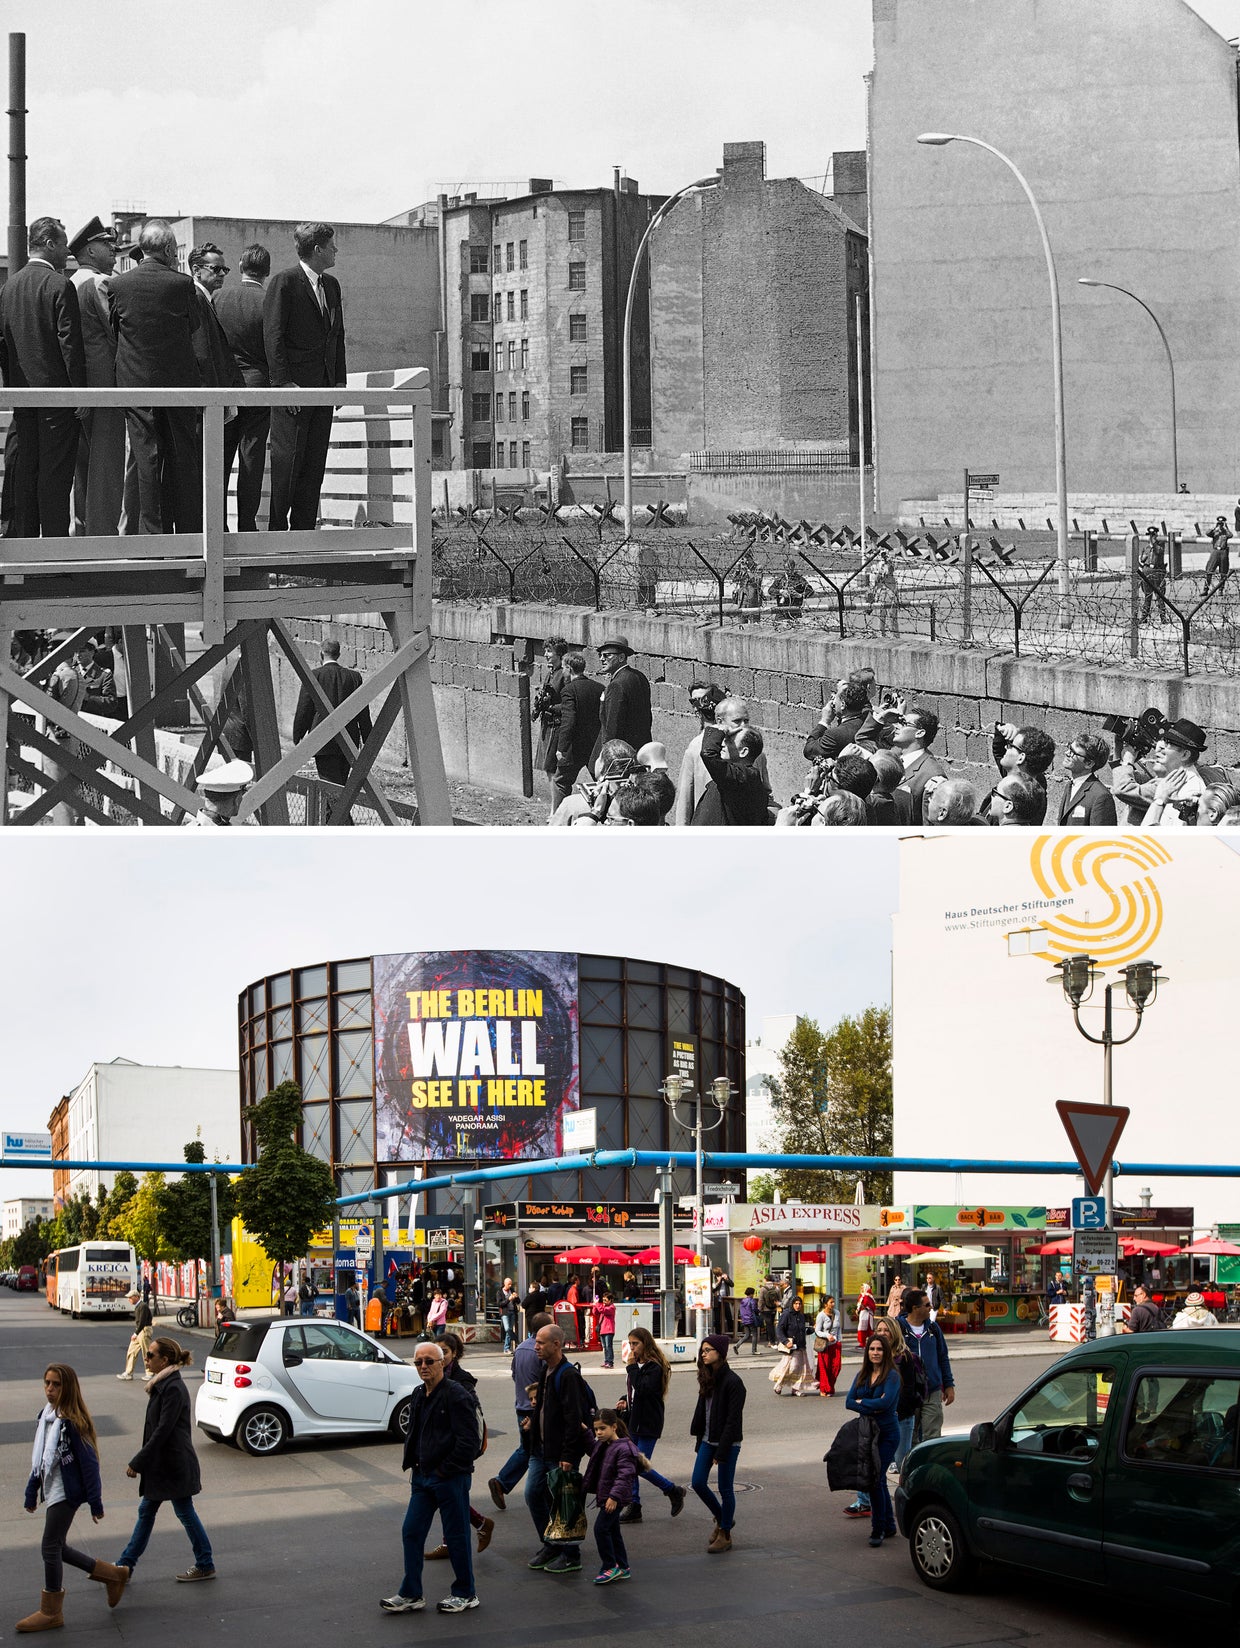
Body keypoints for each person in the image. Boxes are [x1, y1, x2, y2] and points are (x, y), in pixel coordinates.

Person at [108, 219, 203, 534]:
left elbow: (115, 329)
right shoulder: (182, 284)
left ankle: (152, 536)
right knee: (182, 459)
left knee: (146, 460)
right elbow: (193, 326)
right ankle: (188, 536)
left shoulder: (118, 285)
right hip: (179, 385)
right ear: (169, 249)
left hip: (135, 384)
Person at [19, 1363, 128, 1633]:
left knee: (49, 1547)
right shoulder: (46, 1417)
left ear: (68, 1388)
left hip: (66, 1493)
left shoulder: (73, 1423)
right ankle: (114, 1575)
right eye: (47, 1383)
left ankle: (51, 1611)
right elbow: (40, 1460)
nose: (50, 1389)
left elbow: (90, 1465)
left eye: (56, 1384)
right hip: (52, 1489)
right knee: (58, 1547)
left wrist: (95, 1502)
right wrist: (31, 1492)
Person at [0, 216, 85, 541]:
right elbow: (70, 347)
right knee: (55, 478)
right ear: (49, 244)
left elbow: (3, 345)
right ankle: (54, 549)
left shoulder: (8, 287)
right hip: (57, 402)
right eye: (63, 244)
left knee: (24, 474)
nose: (67, 252)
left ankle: (25, 547)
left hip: (22, 400)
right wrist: (80, 396)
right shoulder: (59, 285)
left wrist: (12, 385)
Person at [380, 1340, 480, 1615]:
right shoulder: (417, 1393)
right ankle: (411, 1593)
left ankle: (465, 1593)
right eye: (418, 1362)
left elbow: (469, 1442)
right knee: (411, 1532)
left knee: (457, 1536)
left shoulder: (457, 1394)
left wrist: (445, 1470)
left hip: (449, 1478)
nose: (423, 1366)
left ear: (442, 1363)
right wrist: (414, 1464)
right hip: (422, 1478)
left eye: (429, 1361)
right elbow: (414, 1433)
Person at [264, 221, 347, 532]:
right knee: (288, 464)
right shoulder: (285, 282)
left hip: (323, 390)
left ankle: (303, 533)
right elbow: (273, 335)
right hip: (294, 392)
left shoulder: (332, 286)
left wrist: (339, 381)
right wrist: (284, 384)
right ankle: (277, 535)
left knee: (314, 464)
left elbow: (337, 336)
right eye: (332, 245)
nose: (336, 250)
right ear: (317, 249)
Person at [116, 1338, 214, 1583]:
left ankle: (204, 1563)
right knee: (150, 1511)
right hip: (164, 1464)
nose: (146, 1359)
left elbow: (162, 1431)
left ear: (164, 1360)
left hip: (173, 1464)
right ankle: (125, 1565)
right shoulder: (163, 1384)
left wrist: (138, 1462)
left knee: (182, 1512)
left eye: (150, 1355)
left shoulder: (173, 1388)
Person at [69, 216, 125, 537]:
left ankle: (83, 532)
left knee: (83, 465)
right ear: (90, 250)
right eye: (106, 245)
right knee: (106, 464)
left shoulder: (71, 282)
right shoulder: (99, 284)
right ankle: (102, 536)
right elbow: (116, 334)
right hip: (105, 383)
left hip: (79, 384)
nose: (113, 251)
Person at [525, 1323, 592, 1575]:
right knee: (533, 1494)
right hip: (541, 1450)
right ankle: (551, 1544)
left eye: (541, 1343)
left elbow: (574, 1418)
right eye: (536, 1342)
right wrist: (532, 1428)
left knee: (565, 1503)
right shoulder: (546, 1370)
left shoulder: (568, 1375)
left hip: (560, 1452)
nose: (536, 1347)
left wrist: (568, 1454)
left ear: (556, 1344)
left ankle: (571, 1555)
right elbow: (542, 1407)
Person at [214, 243, 271, 532]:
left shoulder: (218, 297)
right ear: (267, 271)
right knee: (252, 457)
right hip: (258, 386)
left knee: (221, 458)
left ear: (240, 267)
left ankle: (218, 524)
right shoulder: (269, 300)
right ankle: (247, 525)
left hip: (226, 387)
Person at [425, 1334, 494, 1559]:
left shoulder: (462, 1382)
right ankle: (479, 1525)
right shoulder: (432, 1374)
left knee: (451, 1496)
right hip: (440, 1448)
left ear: (454, 1354)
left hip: (456, 1451)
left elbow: (471, 1420)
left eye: (445, 1351)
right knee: (450, 1497)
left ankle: (461, 1543)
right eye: (437, 1351)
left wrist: (461, 1453)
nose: (440, 1356)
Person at [291, 637, 372, 815]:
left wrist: (298, 736)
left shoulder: (314, 676)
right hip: (349, 740)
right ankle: (335, 820)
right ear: (339, 654)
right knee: (340, 784)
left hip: (323, 741)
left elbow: (304, 709)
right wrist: (368, 738)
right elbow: (363, 711)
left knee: (330, 786)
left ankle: (339, 821)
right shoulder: (354, 677)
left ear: (321, 653)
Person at [615, 1327, 685, 1521]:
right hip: (634, 1420)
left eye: (635, 1344)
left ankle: (672, 1490)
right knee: (631, 1463)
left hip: (648, 1422)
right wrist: (625, 1400)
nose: (632, 1348)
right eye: (630, 1344)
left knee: (639, 1465)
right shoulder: (638, 1365)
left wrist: (631, 1367)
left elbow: (644, 1389)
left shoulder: (654, 1366)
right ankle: (634, 1504)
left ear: (645, 1343)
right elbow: (634, 1391)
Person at [487, 1309, 551, 1511]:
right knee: (535, 1452)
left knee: (528, 1448)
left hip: (521, 1405)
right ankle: (507, 1482)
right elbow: (548, 1379)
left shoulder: (522, 1348)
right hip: (536, 1409)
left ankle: (504, 1482)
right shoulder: (542, 1351)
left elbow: (514, 1374)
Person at [689, 1334, 745, 1554]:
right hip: (707, 1439)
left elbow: (733, 1421)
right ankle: (724, 1518)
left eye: (708, 1350)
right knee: (697, 1482)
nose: (703, 1354)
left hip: (728, 1443)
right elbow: (702, 1413)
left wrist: (721, 1452)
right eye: (702, 1350)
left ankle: (725, 1534)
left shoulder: (734, 1382)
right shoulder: (707, 1377)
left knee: (725, 1488)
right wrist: (699, 1440)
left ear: (720, 1353)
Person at [844, 1332, 901, 1548]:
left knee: (875, 1480)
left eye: (879, 1349)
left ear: (885, 1352)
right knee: (878, 1480)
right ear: (867, 1352)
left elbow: (885, 1404)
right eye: (872, 1349)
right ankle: (889, 1525)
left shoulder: (892, 1376)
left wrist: (863, 1402)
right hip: (868, 1433)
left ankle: (878, 1529)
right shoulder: (862, 1375)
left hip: (888, 1435)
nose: (875, 1353)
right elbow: (849, 1402)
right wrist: (872, 1404)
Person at [581, 1408, 642, 1584]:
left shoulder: (624, 1448)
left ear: (614, 1427)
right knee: (613, 1531)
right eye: (596, 1429)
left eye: (602, 1428)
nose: (598, 1433)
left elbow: (625, 1476)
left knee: (600, 1529)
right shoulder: (605, 1444)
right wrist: (585, 1432)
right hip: (608, 1496)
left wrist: (614, 1497)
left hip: (614, 1498)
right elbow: (593, 1450)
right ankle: (622, 1566)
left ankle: (610, 1566)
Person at [897, 1288, 956, 1440]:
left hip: (932, 1390)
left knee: (932, 1436)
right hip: (908, 1392)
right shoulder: (898, 1328)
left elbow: (943, 1357)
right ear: (915, 1308)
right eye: (927, 1305)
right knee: (910, 1437)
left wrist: (948, 1385)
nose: (931, 1307)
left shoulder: (933, 1328)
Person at [693, 720, 772, 825]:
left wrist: (719, 730)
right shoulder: (741, 776)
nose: (722, 744)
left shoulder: (744, 777)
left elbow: (709, 754)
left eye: (729, 741)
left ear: (743, 752)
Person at [551, 652, 603, 808]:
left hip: (574, 748)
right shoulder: (599, 688)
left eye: (563, 668)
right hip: (594, 746)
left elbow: (568, 721)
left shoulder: (569, 690)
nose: (563, 672)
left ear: (569, 668)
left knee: (560, 781)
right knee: (602, 781)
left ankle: (560, 816)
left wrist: (561, 748)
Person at [589, 637, 652, 765]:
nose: (602, 659)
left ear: (621, 657)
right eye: (600, 655)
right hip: (641, 748)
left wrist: (607, 754)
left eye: (607, 655)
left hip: (622, 753)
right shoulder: (639, 676)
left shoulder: (617, 684)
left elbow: (613, 725)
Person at [873, 1316, 922, 1476]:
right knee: (878, 1463)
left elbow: (907, 1391)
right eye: (879, 1330)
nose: (882, 1333)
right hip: (880, 1417)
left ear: (894, 1332)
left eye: (886, 1330)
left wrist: (893, 1411)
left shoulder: (904, 1357)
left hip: (900, 1417)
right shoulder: (875, 1355)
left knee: (902, 1463)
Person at [1138, 719, 1208, 829]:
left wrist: (1160, 801)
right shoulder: (1173, 780)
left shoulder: (1191, 790)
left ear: (1185, 755)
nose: (1161, 746)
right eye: (1165, 740)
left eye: (1169, 743)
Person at [891, 705, 946, 824]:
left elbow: (929, 821)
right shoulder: (893, 755)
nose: (897, 726)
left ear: (920, 733)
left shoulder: (932, 774)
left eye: (904, 723)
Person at [1058, 733, 1117, 825]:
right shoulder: (1069, 786)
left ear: (1089, 764)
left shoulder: (1101, 796)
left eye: (1073, 753)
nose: (1067, 753)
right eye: (1069, 748)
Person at [533, 637, 568, 784]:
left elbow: (568, 705)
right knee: (548, 768)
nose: (545, 654)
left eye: (549, 651)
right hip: (547, 725)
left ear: (559, 654)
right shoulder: (550, 673)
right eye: (545, 651)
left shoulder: (564, 675)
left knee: (553, 768)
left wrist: (550, 707)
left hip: (556, 726)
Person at [771, 1294, 814, 1395]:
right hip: (790, 1347)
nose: (798, 1306)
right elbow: (779, 1329)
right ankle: (779, 1384)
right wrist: (786, 1341)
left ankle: (795, 1389)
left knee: (800, 1369)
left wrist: (811, 1330)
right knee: (791, 1368)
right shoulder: (786, 1314)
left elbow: (802, 1330)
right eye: (796, 1303)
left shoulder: (801, 1316)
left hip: (801, 1346)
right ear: (792, 1304)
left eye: (799, 1304)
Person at [117, 1288, 154, 1381]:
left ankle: (150, 1373)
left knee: (146, 1352)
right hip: (140, 1331)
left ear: (136, 1297)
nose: (129, 1299)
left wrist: (135, 1333)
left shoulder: (143, 1306)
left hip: (144, 1330)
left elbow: (142, 1322)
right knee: (131, 1351)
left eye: (130, 1297)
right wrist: (137, 1333)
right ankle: (128, 1372)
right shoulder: (138, 1306)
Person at [814, 1294, 843, 1395]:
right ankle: (824, 1389)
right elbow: (817, 1331)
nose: (833, 1304)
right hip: (825, 1345)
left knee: (836, 1367)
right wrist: (827, 1335)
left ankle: (830, 1385)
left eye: (833, 1302)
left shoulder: (837, 1313)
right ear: (825, 1304)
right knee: (825, 1368)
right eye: (831, 1302)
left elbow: (839, 1328)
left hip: (835, 1344)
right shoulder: (821, 1316)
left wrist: (839, 1340)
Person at [1139, 526, 1168, 624]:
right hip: (1147, 570)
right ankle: (1144, 616)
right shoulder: (1146, 547)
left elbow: (1159, 552)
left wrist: (1154, 543)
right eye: (1150, 535)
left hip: (1157, 571)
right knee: (1147, 595)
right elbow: (1142, 560)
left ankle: (1163, 617)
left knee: (1159, 595)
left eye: (1153, 535)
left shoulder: (1160, 545)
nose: (1151, 537)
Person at [1203, 515, 1231, 598]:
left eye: (1221, 523)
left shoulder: (1225, 532)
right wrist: (1215, 527)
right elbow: (1207, 533)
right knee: (1209, 570)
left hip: (1223, 551)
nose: (1220, 525)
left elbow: (1230, 535)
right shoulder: (1215, 532)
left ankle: (1220, 589)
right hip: (1215, 551)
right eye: (1219, 523)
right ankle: (1206, 589)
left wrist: (1226, 527)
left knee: (1223, 571)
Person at [592, 1291, 616, 1367]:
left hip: (609, 1330)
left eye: (605, 1300)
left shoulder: (612, 1307)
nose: (604, 1302)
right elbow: (595, 1312)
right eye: (603, 1300)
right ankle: (606, 1361)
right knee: (605, 1347)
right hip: (602, 1329)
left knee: (609, 1346)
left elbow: (603, 1310)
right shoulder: (603, 1306)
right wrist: (595, 1305)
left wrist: (597, 1304)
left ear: (610, 1300)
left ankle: (610, 1362)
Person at [757, 1274, 780, 1348]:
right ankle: (772, 1340)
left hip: (766, 1309)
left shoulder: (763, 1289)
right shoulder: (776, 1288)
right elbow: (779, 1299)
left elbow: (761, 1300)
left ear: (765, 1279)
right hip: (773, 1309)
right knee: (771, 1324)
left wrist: (760, 1309)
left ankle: (772, 1342)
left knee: (769, 1325)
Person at [499, 1277, 520, 1355]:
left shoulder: (512, 1290)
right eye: (509, 1284)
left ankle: (506, 1348)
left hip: (512, 1312)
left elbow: (518, 1301)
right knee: (507, 1329)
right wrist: (509, 1299)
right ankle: (516, 1339)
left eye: (511, 1284)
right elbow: (500, 1304)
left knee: (509, 1330)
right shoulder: (500, 1292)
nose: (510, 1285)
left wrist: (516, 1297)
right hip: (505, 1313)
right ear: (505, 1284)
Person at [736, 1287, 760, 1355]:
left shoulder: (743, 1301)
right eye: (753, 1293)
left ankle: (737, 1345)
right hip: (751, 1319)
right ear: (751, 1294)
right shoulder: (752, 1301)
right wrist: (759, 1311)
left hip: (744, 1320)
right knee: (754, 1334)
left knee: (747, 1335)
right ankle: (754, 1350)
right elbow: (755, 1310)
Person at [856, 1282, 876, 1348]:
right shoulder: (862, 1296)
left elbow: (872, 1306)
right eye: (861, 1288)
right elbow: (859, 1304)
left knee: (868, 1329)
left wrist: (866, 1307)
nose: (861, 1289)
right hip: (862, 1314)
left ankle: (870, 1343)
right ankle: (862, 1343)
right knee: (861, 1328)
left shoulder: (868, 1296)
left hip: (867, 1315)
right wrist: (858, 1309)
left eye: (862, 1288)